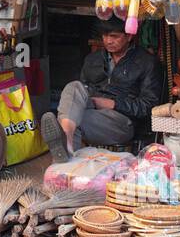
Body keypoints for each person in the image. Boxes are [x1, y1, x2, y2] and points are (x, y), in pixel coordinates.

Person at [40, 17, 163, 160]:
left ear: (129, 36)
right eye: (104, 36)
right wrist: (92, 100)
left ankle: (64, 152)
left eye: (114, 36)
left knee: (74, 119)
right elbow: (80, 94)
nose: (108, 41)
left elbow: (149, 106)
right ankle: (66, 141)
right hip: (92, 110)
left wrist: (114, 104)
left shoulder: (146, 62)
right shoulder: (93, 59)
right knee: (73, 88)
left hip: (122, 122)